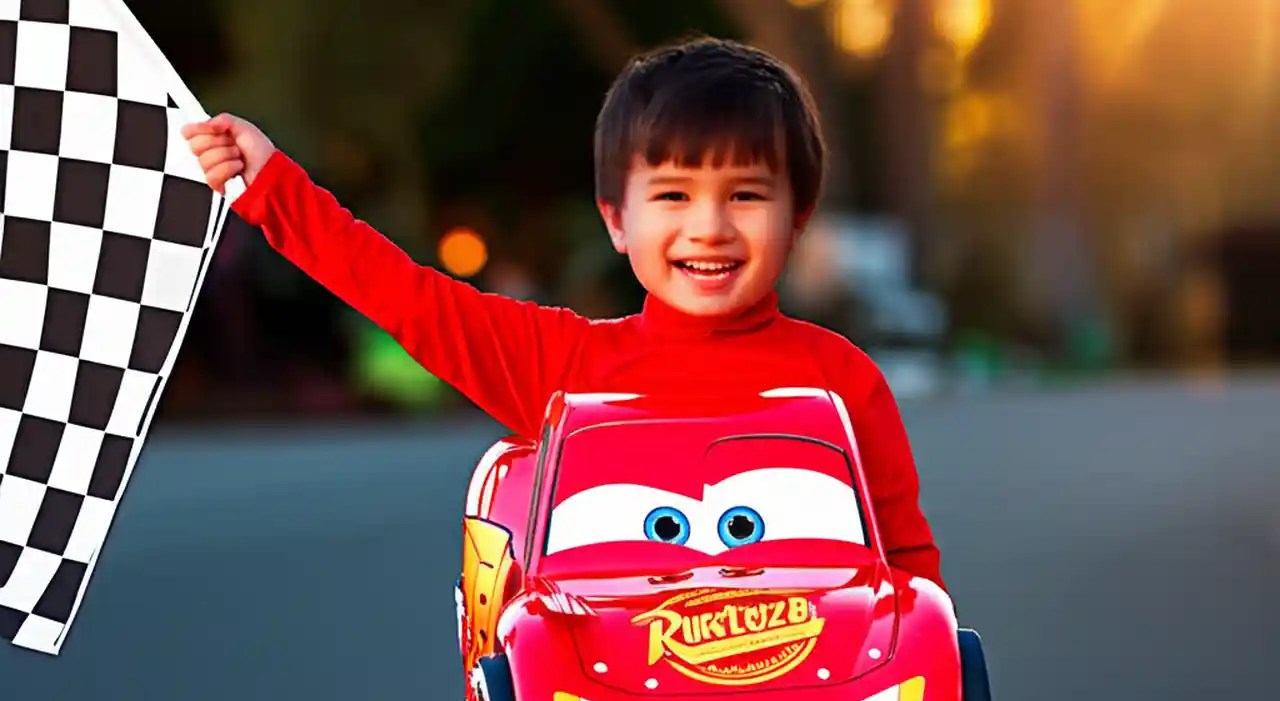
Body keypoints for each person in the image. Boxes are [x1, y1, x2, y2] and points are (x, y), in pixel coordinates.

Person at [183, 36, 947, 590]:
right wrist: (272, 189)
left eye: (746, 195)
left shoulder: (841, 382)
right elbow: (408, 299)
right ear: (616, 219)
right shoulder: (565, 368)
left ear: (799, 215)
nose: (710, 227)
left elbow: (909, 578)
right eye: (673, 195)